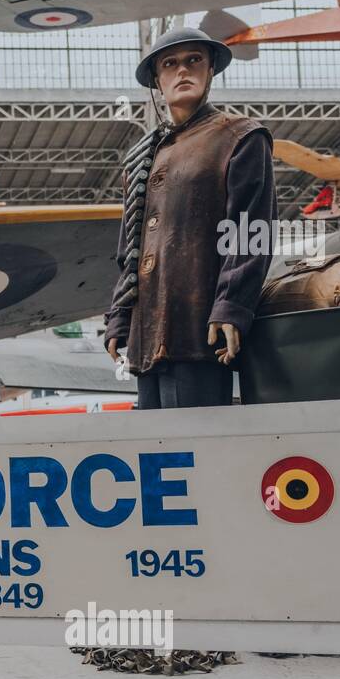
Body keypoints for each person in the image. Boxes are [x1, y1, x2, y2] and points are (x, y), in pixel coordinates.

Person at [104, 27, 276, 409]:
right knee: (156, 455)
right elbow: (129, 249)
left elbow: (252, 232)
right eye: (170, 64)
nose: (182, 71)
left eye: (193, 60)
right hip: (146, 335)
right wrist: (119, 317)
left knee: (199, 452)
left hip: (200, 330)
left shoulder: (240, 137)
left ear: (211, 69)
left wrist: (232, 305)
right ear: (157, 80)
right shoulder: (142, 157)